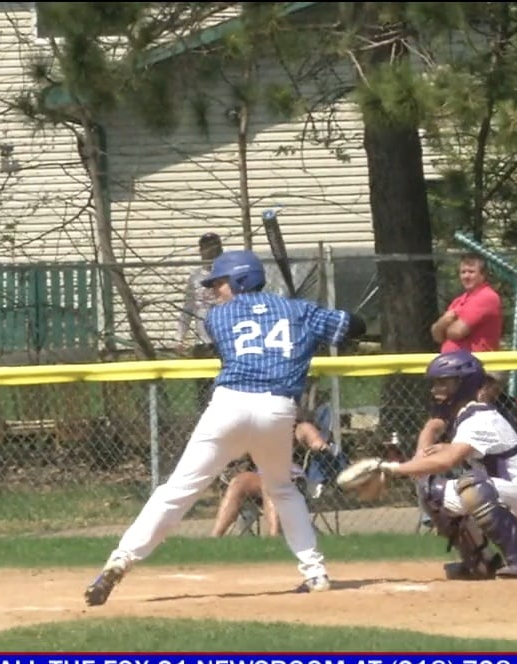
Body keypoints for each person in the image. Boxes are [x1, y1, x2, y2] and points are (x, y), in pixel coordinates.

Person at [85, 249, 367, 606]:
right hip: (277, 409)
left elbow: (257, 326)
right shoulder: (301, 312)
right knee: (283, 489)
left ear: (240, 281)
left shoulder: (218, 318)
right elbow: (356, 326)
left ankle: (120, 559)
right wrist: (312, 316)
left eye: (219, 283)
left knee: (177, 491)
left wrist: (300, 315)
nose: (215, 291)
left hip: (229, 407)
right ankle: (315, 572)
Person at [378, 350, 517, 580]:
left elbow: (448, 460)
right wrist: (419, 459)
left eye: (443, 383)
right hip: (510, 495)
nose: (435, 390)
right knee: (431, 489)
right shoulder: (464, 414)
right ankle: (481, 562)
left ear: (464, 385)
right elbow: (432, 427)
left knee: (473, 485)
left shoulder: (480, 418)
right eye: (435, 383)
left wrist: (391, 468)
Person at [210, 419, 348, 538]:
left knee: (271, 481)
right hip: (261, 477)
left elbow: (317, 442)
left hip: (292, 480)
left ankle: (274, 536)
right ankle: (215, 538)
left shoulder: (299, 428)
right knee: (238, 482)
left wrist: (319, 445)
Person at [177, 232, 226, 407]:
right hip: (203, 342)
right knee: (204, 389)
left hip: (224, 340)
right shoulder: (196, 278)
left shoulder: (227, 275)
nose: (210, 253)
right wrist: (180, 337)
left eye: (214, 248)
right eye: (206, 249)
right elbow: (188, 308)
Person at [431, 253, 504, 353]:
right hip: (453, 362)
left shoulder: (486, 297)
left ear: (483, 275)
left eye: (471, 272)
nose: (466, 276)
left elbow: (456, 332)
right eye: (463, 272)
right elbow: (437, 337)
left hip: (474, 365)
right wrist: (443, 321)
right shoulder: (459, 300)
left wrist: (442, 327)